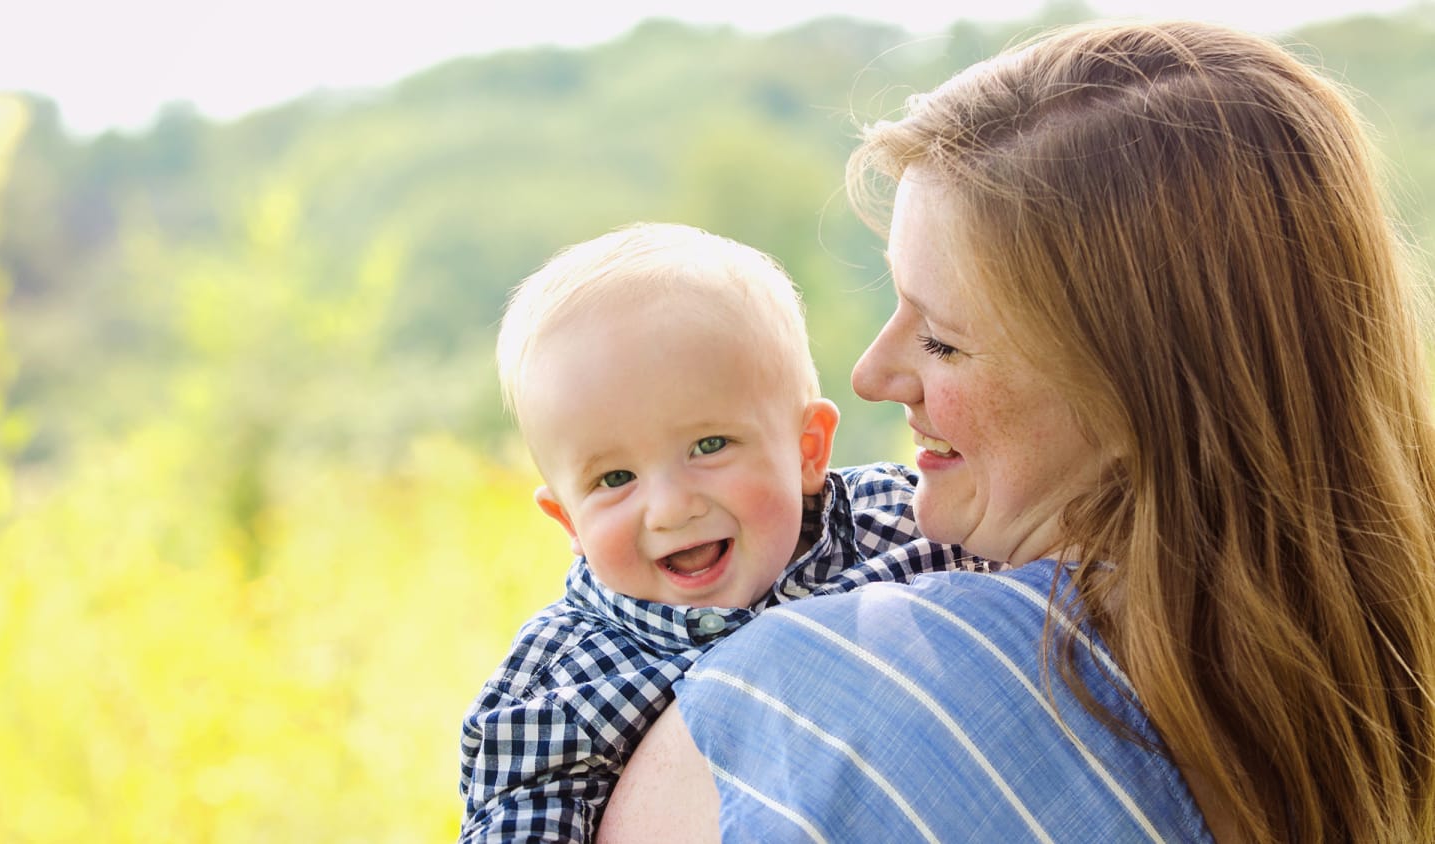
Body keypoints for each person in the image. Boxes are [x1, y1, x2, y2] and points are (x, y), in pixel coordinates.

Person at [598, 20, 1435, 844]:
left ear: (1138, 393)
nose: (872, 375)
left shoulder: (824, 710)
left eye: (943, 341)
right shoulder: (1383, 694)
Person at [459, 222, 979, 842]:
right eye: (615, 477)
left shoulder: (902, 522)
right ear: (569, 521)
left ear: (807, 449)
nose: (670, 509)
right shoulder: (561, 681)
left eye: (709, 446)